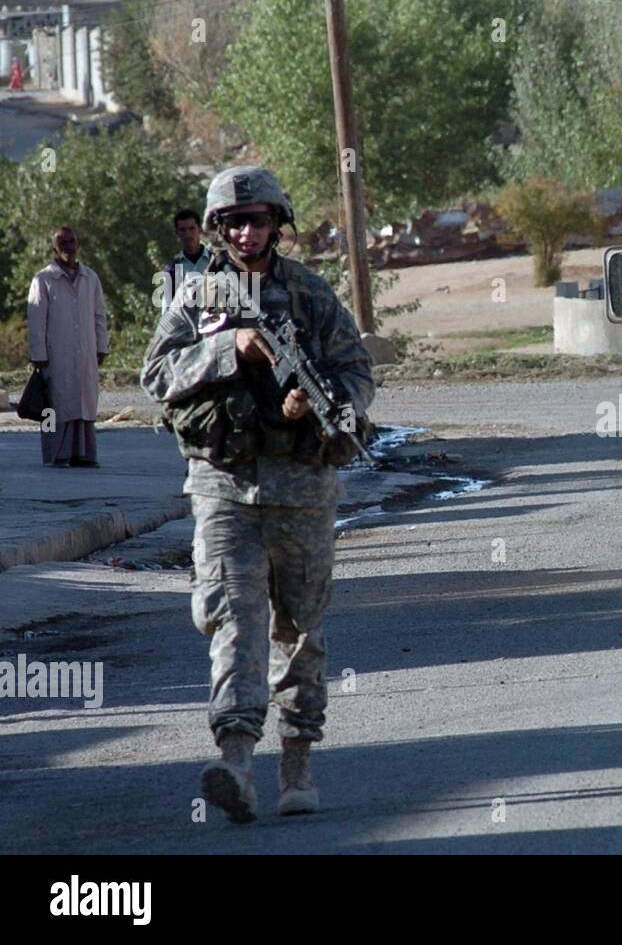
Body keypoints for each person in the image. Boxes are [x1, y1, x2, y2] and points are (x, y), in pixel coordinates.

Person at [140, 167, 374, 823]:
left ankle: (297, 764)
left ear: (278, 223)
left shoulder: (308, 292)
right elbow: (154, 374)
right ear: (218, 228)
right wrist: (226, 350)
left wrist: (324, 404)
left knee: (299, 630)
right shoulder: (197, 297)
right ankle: (237, 762)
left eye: (259, 219)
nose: (247, 231)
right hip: (223, 489)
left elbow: (357, 370)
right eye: (235, 221)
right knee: (233, 622)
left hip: (301, 492)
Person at [26, 226, 108, 467]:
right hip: (55, 355)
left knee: (83, 402)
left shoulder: (90, 277)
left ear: (78, 244)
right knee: (52, 406)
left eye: (71, 242)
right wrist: (38, 354)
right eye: (62, 243)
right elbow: (36, 320)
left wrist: (100, 346)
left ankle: (83, 454)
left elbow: (99, 316)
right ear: (54, 248)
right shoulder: (43, 279)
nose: (68, 248)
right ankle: (55, 454)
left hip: (85, 353)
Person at [158, 208, 211, 309]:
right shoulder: (172, 270)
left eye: (192, 228)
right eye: (183, 230)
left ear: (199, 229)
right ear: (177, 233)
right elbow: (166, 310)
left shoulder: (216, 261)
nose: (187, 234)